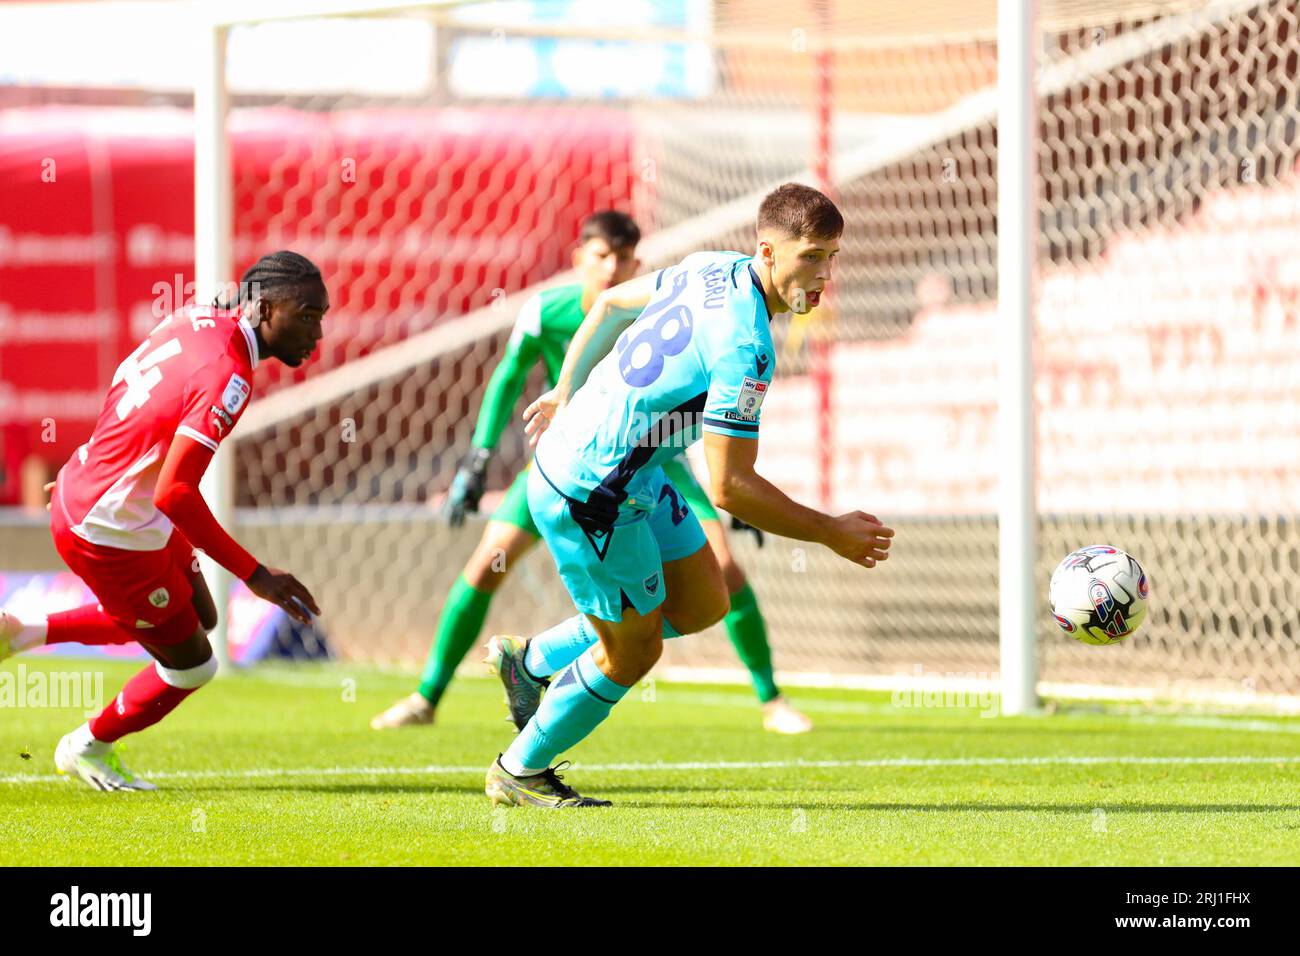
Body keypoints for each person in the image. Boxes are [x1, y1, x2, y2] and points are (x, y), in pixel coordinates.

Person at [483, 184, 894, 807]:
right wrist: (830, 531)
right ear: (768, 251)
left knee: (704, 603)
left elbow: (614, 304)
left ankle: (531, 660)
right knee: (634, 651)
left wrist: (570, 385)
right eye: (810, 256)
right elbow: (730, 488)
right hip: (593, 492)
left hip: (633, 475)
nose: (823, 274)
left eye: (832, 257)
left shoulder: (712, 267)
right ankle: (518, 769)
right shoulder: (747, 347)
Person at [370, 211, 813, 735]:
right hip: (567, 462)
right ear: (578, 258)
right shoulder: (546, 313)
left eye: (624, 258)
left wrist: (739, 493)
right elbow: (508, 377)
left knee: (723, 571)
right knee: (487, 564)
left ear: (637, 263)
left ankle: (770, 699)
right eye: (602, 256)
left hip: (658, 463)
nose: (612, 268)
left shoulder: (652, 304)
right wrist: (478, 457)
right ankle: (428, 697)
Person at [0, 251, 326, 792]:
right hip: (109, 532)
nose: (317, 333)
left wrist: (96, 462)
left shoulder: (195, 317)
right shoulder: (230, 375)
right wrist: (256, 575)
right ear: (267, 308)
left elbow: (130, 383)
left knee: (202, 614)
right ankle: (86, 747)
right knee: (194, 665)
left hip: (107, 498)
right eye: (309, 315)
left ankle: (22, 632)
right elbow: (176, 492)